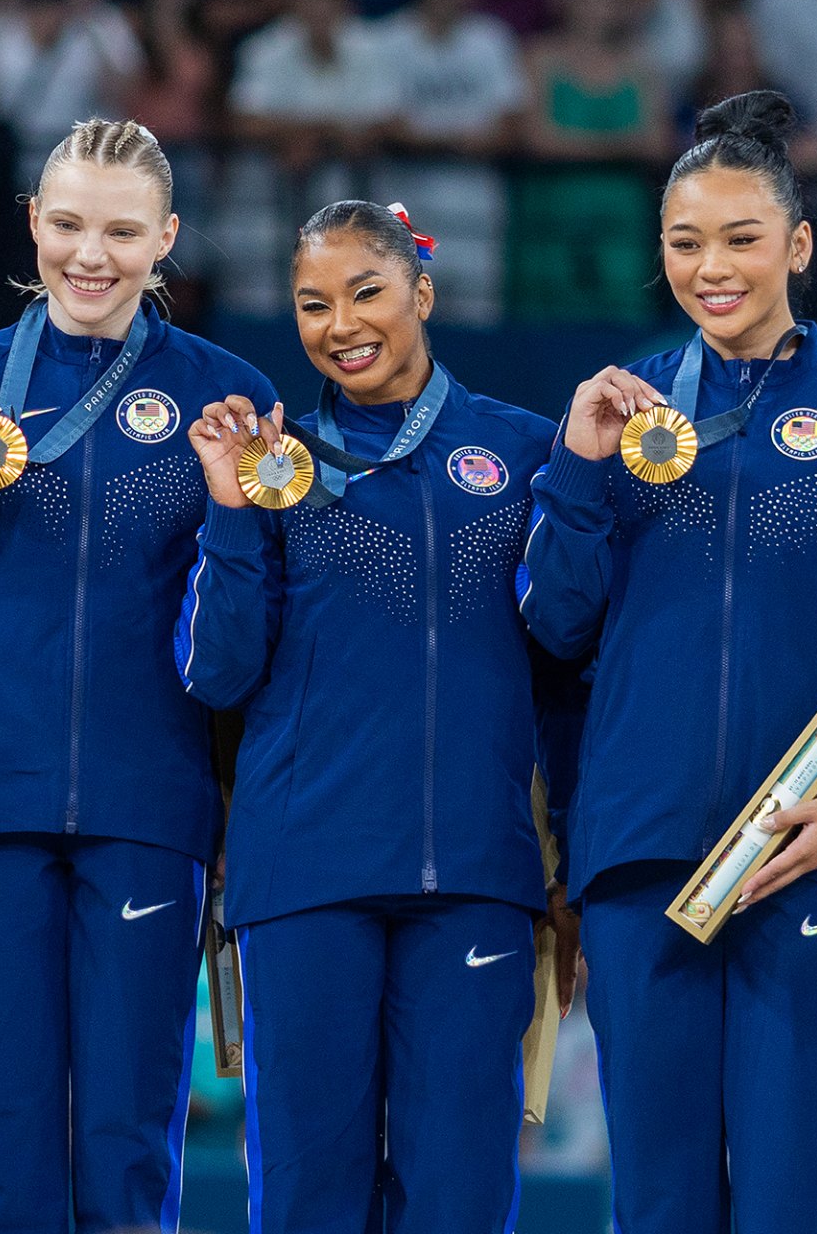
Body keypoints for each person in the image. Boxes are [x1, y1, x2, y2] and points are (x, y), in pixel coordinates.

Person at [519, 90, 817, 1233]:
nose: (710, 266)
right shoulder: (617, 411)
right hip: (640, 855)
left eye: (740, 237)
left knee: (795, 1200)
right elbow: (555, 630)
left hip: (808, 852)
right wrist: (572, 468)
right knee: (657, 1203)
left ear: (797, 245)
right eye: (683, 241)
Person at [0, 117, 277, 1232]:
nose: (90, 255)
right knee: (1, 1144)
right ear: (31, 223)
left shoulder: (225, 394)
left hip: (148, 808)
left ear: (166, 238)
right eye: (69, 224)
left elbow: (233, 660)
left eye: (122, 230)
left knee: (125, 1143)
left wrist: (233, 510)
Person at [174, 199, 578, 1232]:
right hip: (307, 878)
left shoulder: (525, 452)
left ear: (422, 292)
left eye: (365, 292)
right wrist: (225, 502)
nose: (339, 323)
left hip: (474, 882)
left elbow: (566, 664)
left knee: (459, 1197)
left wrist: (568, 859)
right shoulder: (273, 465)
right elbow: (215, 671)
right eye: (312, 303)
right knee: (308, 1199)